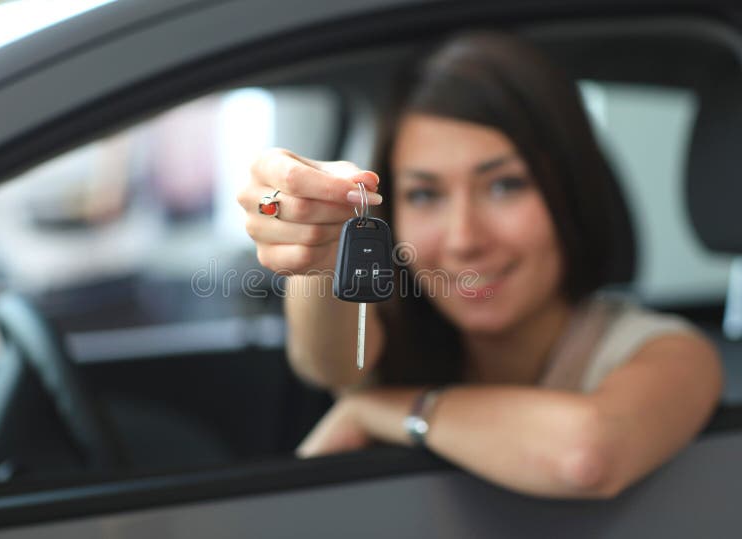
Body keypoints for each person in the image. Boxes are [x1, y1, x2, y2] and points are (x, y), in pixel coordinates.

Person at [237, 32, 722, 499]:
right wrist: (318, 241)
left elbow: (586, 456)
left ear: (569, 193)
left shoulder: (671, 353)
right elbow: (325, 361)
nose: (464, 239)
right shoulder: (392, 331)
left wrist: (380, 409)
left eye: (504, 186)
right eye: (425, 194)